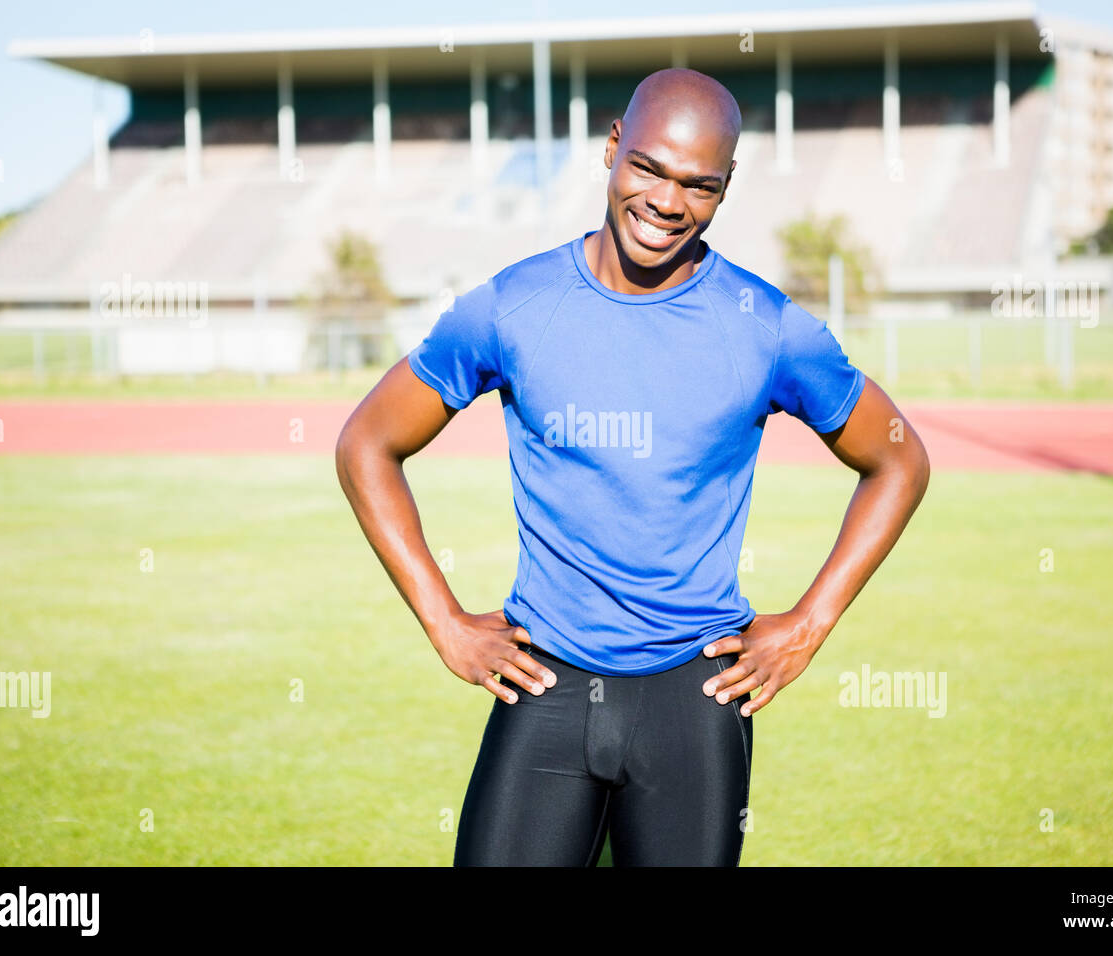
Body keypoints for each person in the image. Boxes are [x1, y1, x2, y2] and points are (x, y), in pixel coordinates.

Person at [335, 67, 930, 866]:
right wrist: (443, 621)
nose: (667, 202)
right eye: (648, 167)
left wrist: (807, 626)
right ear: (613, 147)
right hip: (542, 686)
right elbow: (365, 443)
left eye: (700, 185)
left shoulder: (766, 328)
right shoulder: (514, 307)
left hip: (697, 701)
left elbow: (900, 462)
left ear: (725, 188)